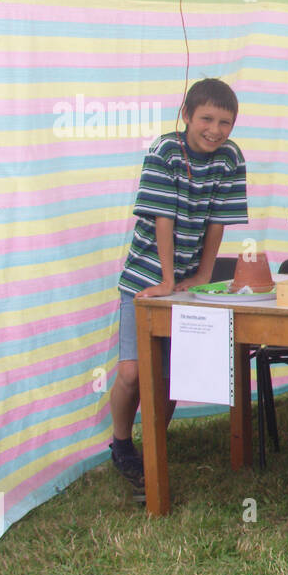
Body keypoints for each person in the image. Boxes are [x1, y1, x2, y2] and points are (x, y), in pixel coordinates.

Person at [110, 77, 249, 502]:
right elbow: (161, 218)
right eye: (207, 118)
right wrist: (166, 281)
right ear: (186, 116)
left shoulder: (230, 157)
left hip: (187, 279)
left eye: (225, 122)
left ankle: (153, 447)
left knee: (169, 375)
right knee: (133, 372)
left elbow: (218, 219)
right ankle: (120, 444)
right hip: (147, 276)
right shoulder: (164, 151)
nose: (216, 129)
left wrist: (203, 274)